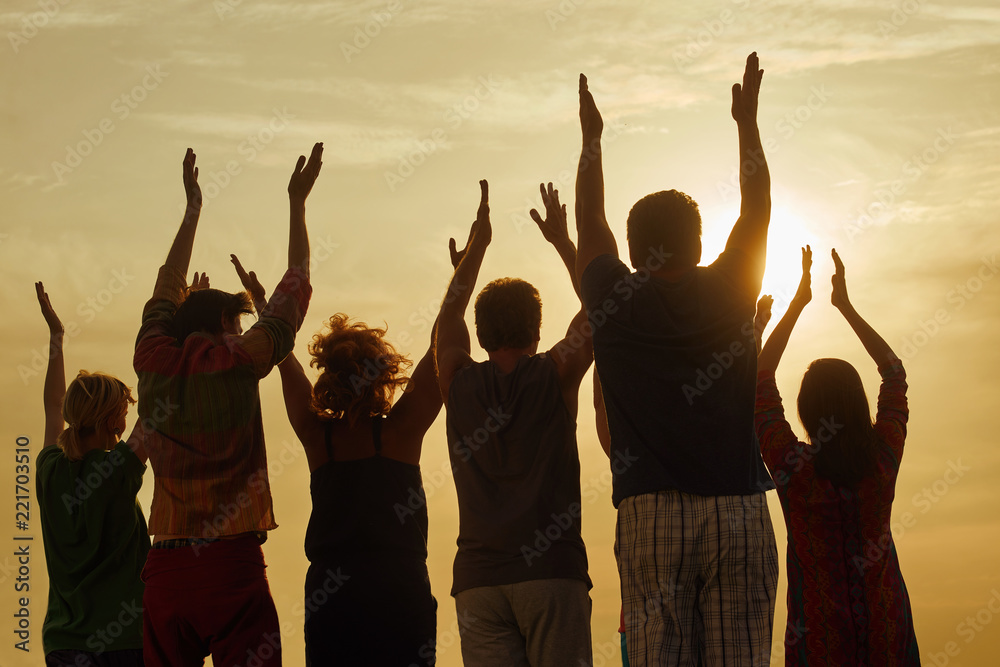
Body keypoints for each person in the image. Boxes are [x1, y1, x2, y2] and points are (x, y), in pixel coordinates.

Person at [574, 53, 779, 665]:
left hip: (649, 510)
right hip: (738, 506)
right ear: (698, 242)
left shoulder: (613, 296)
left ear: (634, 252)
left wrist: (592, 142)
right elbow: (757, 205)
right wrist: (747, 124)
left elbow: (589, 221)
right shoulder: (730, 285)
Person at [134, 144, 321, 666]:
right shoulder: (238, 358)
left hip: (165, 567)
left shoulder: (149, 356)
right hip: (230, 562)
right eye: (236, 324)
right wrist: (297, 205)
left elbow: (165, 286)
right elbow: (294, 291)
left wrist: (193, 209)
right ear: (223, 326)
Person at [229, 249, 442, 666]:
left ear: (328, 374)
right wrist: (461, 276)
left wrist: (264, 310)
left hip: (333, 590)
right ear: (383, 372)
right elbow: (441, 344)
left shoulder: (317, 437)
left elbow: (284, 361)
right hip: (400, 587)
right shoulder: (400, 433)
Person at [436, 180, 594, 666]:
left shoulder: (457, 380)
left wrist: (474, 252)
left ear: (480, 334)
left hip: (479, 583)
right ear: (538, 329)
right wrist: (564, 245)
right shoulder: (556, 372)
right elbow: (602, 306)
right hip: (551, 573)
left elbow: (447, 317)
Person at [755, 248, 920, 665]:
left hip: (819, 646)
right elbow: (894, 372)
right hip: (888, 639)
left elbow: (759, 380)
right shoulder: (881, 461)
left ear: (807, 412)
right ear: (859, 405)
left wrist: (796, 306)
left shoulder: (795, 472)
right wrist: (844, 306)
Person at [34, 282, 150, 667]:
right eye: (124, 409)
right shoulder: (118, 468)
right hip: (122, 641)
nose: (129, 414)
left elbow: (53, 408)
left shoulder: (49, 468)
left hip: (63, 643)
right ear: (110, 419)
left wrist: (56, 338)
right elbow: (157, 411)